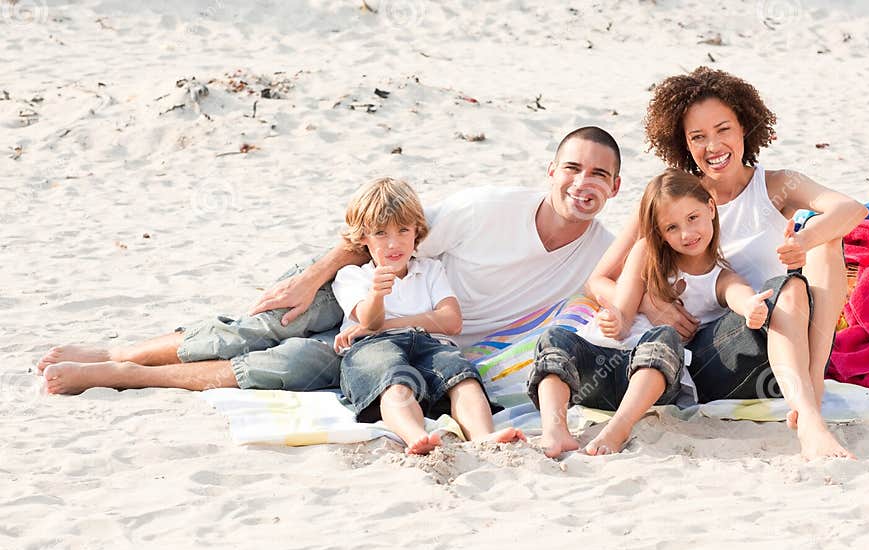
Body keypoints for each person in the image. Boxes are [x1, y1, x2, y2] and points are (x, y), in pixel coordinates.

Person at [38, 126, 622, 395]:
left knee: (281, 366)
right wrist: (313, 275)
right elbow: (382, 236)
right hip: (358, 280)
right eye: (572, 167)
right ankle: (117, 351)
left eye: (599, 173)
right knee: (255, 329)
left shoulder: (600, 253)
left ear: (616, 187)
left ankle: (130, 375)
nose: (583, 182)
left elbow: (643, 291)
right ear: (551, 171)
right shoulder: (487, 208)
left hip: (401, 331)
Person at [588, 67, 867, 460]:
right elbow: (599, 279)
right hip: (704, 356)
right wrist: (652, 304)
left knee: (825, 242)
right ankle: (808, 410)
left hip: (779, 335)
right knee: (786, 287)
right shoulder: (672, 196)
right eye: (697, 137)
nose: (713, 146)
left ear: (744, 128)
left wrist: (805, 238)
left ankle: (812, 391)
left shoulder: (775, 185)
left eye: (723, 130)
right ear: (683, 144)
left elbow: (851, 208)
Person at [529, 169, 773, 458]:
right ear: (659, 232)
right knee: (555, 338)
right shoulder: (646, 253)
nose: (686, 234)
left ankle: (617, 429)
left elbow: (737, 293)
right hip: (603, 372)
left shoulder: (719, 277)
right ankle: (554, 431)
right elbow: (623, 312)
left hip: (653, 383)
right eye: (671, 227)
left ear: (710, 208)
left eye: (692, 218)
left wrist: (750, 307)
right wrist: (615, 319)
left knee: (664, 336)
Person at [330, 178, 524, 454]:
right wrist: (376, 295)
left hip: (429, 345)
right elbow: (370, 322)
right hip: (375, 347)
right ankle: (415, 436)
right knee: (393, 380)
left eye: (403, 230)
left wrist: (387, 324)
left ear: (417, 232)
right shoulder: (353, 276)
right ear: (363, 237)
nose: (393, 243)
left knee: (461, 375)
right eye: (381, 233)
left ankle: (482, 436)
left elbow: (451, 321)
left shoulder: (430, 270)